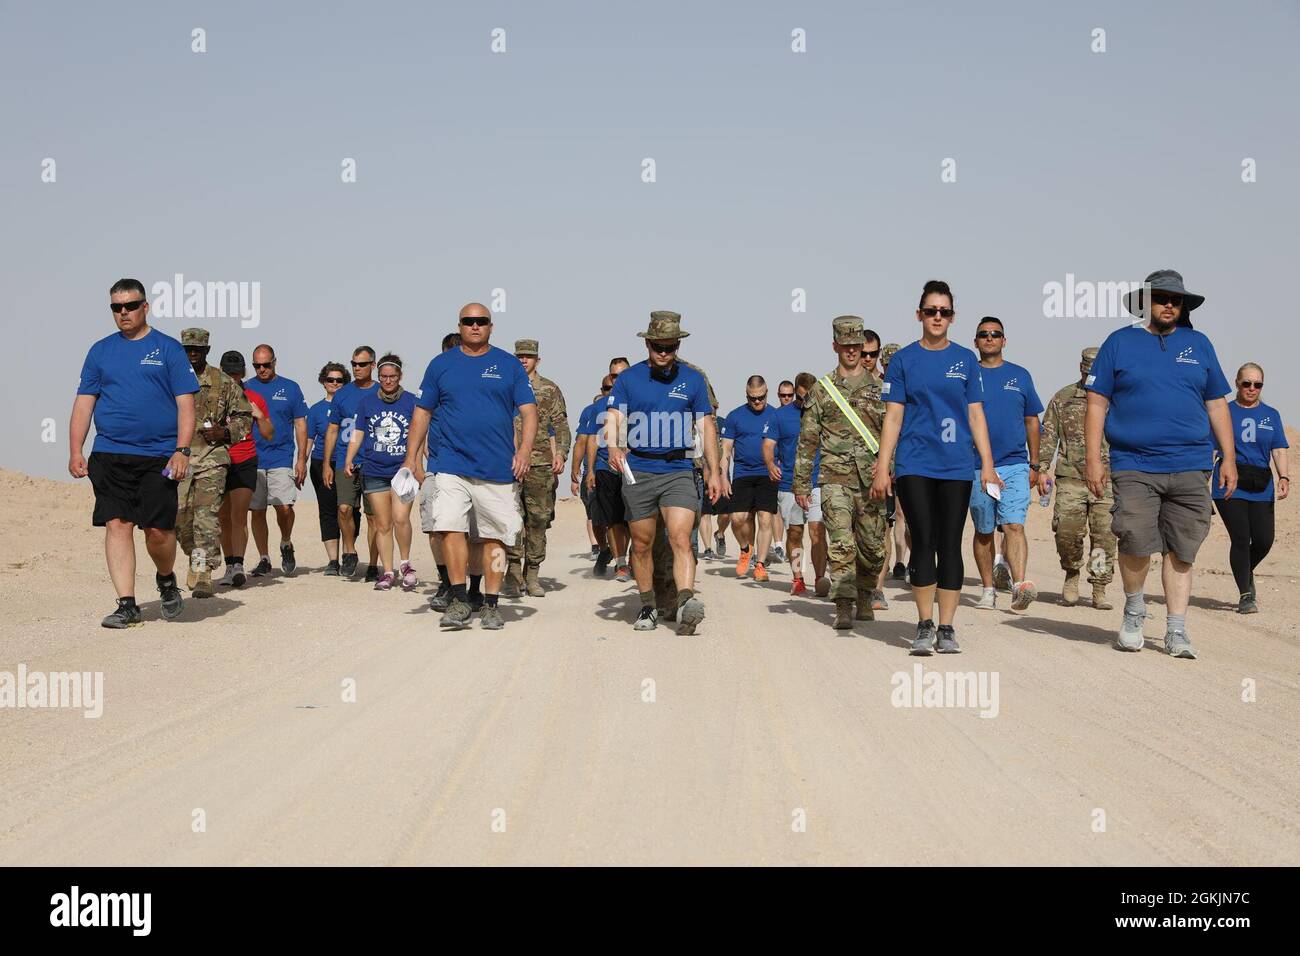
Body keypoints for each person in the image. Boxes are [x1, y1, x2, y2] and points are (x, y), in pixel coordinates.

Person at [1085, 269, 1236, 660]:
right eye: (1161, 297)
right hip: (1134, 463)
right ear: (1146, 301)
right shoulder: (1120, 342)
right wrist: (1092, 458)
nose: (1169, 304)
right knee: (1134, 538)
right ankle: (1134, 611)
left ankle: (1176, 630)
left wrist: (1229, 458)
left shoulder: (1199, 344)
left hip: (1191, 464)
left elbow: (1217, 402)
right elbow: (1097, 402)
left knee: (1182, 549)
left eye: (1176, 299)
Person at [872, 281, 1000, 655]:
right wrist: (883, 466)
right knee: (923, 540)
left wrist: (987, 464)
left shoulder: (965, 361)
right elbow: (893, 417)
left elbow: (976, 415)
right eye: (931, 311)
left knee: (949, 543)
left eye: (944, 311)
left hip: (957, 466)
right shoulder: (903, 360)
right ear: (920, 315)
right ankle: (924, 624)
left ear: (953, 317)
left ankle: (947, 627)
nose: (938, 317)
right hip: (914, 464)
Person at [69, 278, 198, 627]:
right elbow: (84, 403)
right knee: (118, 523)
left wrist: (182, 450)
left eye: (130, 305)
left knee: (158, 531)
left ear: (145, 306)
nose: (123, 312)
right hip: (110, 453)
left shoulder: (168, 348)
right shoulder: (100, 351)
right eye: (116, 307)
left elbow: (186, 405)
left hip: (160, 455)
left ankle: (166, 578)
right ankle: (127, 604)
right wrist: (75, 450)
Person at [403, 303, 537, 631]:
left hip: (497, 467)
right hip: (450, 463)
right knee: (449, 526)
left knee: (495, 536)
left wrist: (524, 451)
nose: (475, 326)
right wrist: (411, 456)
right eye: (468, 321)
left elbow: (529, 412)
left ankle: (490, 603)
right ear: (459, 325)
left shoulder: (508, 365)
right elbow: (422, 412)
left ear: (491, 326)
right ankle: (460, 599)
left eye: (481, 322)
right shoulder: (440, 365)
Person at [605, 311, 725, 634]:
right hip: (640, 470)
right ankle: (647, 606)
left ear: (677, 346)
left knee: (680, 537)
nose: (663, 352)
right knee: (642, 544)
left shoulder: (693, 380)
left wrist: (715, 471)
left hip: (679, 469)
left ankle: (686, 602)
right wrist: (615, 447)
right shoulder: (628, 379)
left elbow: (706, 427)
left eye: (670, 347)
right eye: (658, 346)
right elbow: (615, 416)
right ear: (647, 343)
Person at [794, 318, 888, 629]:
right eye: (844, 345)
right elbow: (807, 439)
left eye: (855, 346)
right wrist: (802, 484)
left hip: (872, 480)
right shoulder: (823, 390)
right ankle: (844, 604)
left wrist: (889, 465)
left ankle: (865, 593)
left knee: (873, 548)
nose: (850, 351)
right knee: (841, 544)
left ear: (863, 347)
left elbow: (897, 431)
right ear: (835, 346)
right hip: (834, 479)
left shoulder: (881, 390)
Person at [967, 317, 1044, 612]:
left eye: (995, 334)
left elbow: (1031, 421)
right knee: (985, 531)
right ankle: (987, 588)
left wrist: (1035, 464)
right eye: (983, 334)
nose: (989, 338)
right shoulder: (967, 376)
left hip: (1015, 463)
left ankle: (1019, 585)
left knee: (1014, 525)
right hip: (976, 466)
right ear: (976, 341)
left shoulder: (1020, 376)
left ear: (1004, 340)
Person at [1038, 347, 1117, 609]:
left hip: (1108, 480)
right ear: (1080, 368)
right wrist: (1041, 468)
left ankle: (1098, 586)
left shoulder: (1116, 399)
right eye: (1086, 369)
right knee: (1067, 532)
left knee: (1103, 534)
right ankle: (1071, 574)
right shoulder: (1063, 398)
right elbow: (1048, 435)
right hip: (1070, 477)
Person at [177, 328, 252, 597]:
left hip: (212, 458)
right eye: (187, 349)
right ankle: (194, 558)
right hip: (179, 458)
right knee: (180, 517)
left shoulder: (222, 382)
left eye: (197, 349)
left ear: (207, 351)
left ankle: (204, 571)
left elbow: (244, 415)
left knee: (206, 516)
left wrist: (226, 432)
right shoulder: (168, 378)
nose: (192, 353)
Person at [1212, 363, 1288, 614]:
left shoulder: (1271, 415)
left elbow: (1278, 449)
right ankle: (1246, 594)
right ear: (1237, 383)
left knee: (1264, 540)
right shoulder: (1223, 411)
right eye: (1247, 383)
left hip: (1261, 483)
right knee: (1242, 538)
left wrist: (1284, 476)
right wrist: (1199, 483)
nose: (1252, 388)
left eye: (1257, 384)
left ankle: (1245, 571)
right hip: (1229, 483)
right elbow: (1211, 449)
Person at [345, 354, 418, 591]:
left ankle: (405, 564)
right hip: (374, 469)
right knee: (382, 524)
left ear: (400, 377)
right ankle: (387, 572)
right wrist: (348, 458)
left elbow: (419, 435)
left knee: (400, 518)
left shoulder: (411, 402)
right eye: (384, 377)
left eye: (392, 377)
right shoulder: (367, 402)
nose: (388, 381)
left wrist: (420, 464)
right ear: (379, 377)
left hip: (402, 471)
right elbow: (358, 434)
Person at [504, 339, 570, 597]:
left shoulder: (549, 390)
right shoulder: (505, 386)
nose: (523, 360)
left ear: (537, 360)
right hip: (507, 464)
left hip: (540, 464)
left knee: (538, 519)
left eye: (528, 356)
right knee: (511, 520)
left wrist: (561, 453)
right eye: (519, 356)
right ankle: (512, 573)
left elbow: (561, 425)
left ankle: (532, 573)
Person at [244, 344, 309, 577]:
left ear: (274, 362)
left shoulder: (290, 388)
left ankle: (286, 542)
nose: (261, 369)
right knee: (257, 510)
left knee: (284, 507)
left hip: (281, 456)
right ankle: (264, 558)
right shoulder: (245, 388)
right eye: (257, 365)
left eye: (266, 364)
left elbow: (301, 423)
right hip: (253, 458)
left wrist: (301, 459)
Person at [216, 351, 273, 587]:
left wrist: (259, 416)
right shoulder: (212, 397)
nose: (233, 378)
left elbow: (269, 434)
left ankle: (238, 564)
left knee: (238, 515)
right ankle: (229, 565)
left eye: (237, 374)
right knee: (222, 518)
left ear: (243, 373)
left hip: (245, 460)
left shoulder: (253, 397)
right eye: (228, 374)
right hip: (218, 461)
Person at [324, 346, 379, 580]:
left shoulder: (381, 391)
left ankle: (374, 563)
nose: (357, 368)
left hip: (374, 461)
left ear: (372, 365)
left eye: (362, 364)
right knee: (344, 509)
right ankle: (349, 551)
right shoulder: (342, 394)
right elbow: (333, 429)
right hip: (344, 460)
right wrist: (327, 463)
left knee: (373, 516)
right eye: (354, 364)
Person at [722, 375, 781, 582]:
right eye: (752, 398)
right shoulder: (734, 416)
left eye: (761, 397)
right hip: (742, 473)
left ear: (767, 393)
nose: (757, 402)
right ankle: (745, 548)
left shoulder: (776, 415)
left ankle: (760, 564)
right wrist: (723, 476)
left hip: (767, 474)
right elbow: (726, 449)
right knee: (737, 519)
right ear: (746, 395)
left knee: (765, 518)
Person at [776, 371, 828, 597]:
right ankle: (798, 578)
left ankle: (819, 578)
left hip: (817, 481)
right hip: (789, 484)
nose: (805, 402)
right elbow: (769, 444)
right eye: (801, 397)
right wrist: (770, 463)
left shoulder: (824, 412)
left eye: (809, 397)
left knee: (817, 530)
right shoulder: (782, 415)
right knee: (795, 533)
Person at [584, 365, 632, 579]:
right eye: (613, 375)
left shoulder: (640, 400)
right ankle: (620, 562)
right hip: (606, 467)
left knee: (632, 519)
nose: (617, 379)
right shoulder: (600, 406)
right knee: (612, 519)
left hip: (635, 469)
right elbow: (592, 441)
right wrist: (590, 470)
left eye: (622, 375)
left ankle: (628, 555)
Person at [307, 362, 349, 575]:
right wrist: (300, 464)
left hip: (346, 462)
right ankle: (333, 560)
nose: (334, 383)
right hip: (320, 462)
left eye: (339, 380)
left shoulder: (352, 406)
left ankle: (348, 554)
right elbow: (308, 439)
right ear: (323, 382)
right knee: (327, 510)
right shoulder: (315, 410)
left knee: (348, 509)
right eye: (330, 379)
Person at [880, 342, 910, 582]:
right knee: (883, 520)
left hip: (904, 462)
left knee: (902, 515)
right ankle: (884, 563)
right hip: (881, 463)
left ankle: (901, 561)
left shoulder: (908, 390)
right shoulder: (878, 389)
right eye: (886, 363)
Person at [572, 387, 608, 560]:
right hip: (593, 471)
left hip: (623, 471)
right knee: (593, 513)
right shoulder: (590, 411)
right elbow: (581, 441)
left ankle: (621, 556)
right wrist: (575, 469)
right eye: (607, 388)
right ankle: (599, 547)